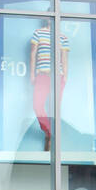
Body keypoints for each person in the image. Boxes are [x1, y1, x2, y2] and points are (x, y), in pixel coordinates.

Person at [29, 21, 70, 151]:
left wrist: (66, 76)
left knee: (55, 109)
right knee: (37, 105)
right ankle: (50, 133)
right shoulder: (38, 33)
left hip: (58, 76)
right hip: (43, 74)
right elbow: (33, 54)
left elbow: (64, 58)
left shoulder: (63, 37)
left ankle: (51, 138)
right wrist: (32, 74)